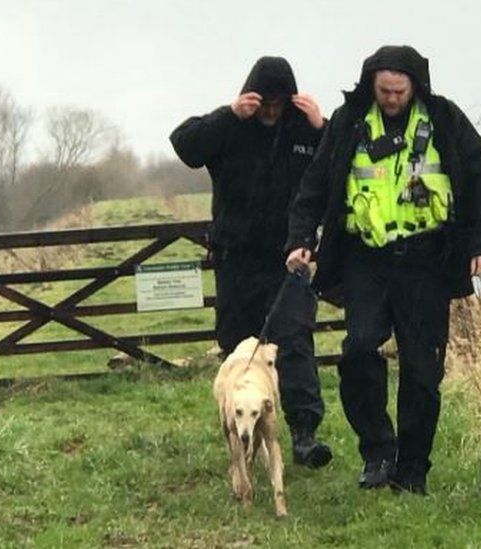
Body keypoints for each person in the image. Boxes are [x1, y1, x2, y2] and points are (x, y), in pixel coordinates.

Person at [284, 45, 481, 494]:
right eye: (383, 89)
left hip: (426, 262)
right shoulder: (349, 123)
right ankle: (377, 451)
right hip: (367, 259)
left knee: (423, 371)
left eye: (398, 90)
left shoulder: (444, 119)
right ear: (372, 84)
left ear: (415, 87)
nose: (390, 97)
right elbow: (316, 184)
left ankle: (412, 470)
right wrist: (301, 239)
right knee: (359, 350)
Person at [170, 56, 332, 468]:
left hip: (289, 260)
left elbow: (341, 164)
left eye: (280, 103)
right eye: (266, 103)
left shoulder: (306, 133)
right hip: (236, 261)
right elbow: (184, 144)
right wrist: (228, 114)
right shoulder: (230, 128)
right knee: (239, 349)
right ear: (253, 97)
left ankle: (303, 434)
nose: (272, 111)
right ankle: (240, 435)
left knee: (294, 343)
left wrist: (322, 126)